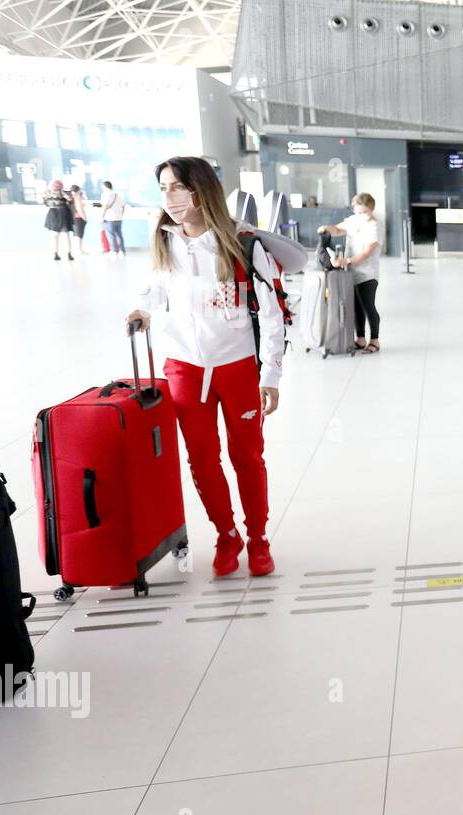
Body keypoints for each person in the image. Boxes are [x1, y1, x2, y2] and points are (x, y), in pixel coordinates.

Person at [127, 156, 285, 578]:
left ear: (201, 189)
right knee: (201, 459)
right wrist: (142, 308)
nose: (170, 197)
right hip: (184, 367)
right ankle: (226, 535)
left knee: (247, 457)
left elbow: (271, 314)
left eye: (177, 187)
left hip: (237, 366)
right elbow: (158, 284)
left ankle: (258, 538)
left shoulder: (243, 244)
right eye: (163, 188)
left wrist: (270, 373)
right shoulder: (166, 239)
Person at [317, 193, 382, 352]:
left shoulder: (374, 226)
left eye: (363, 212)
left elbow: (367, 252)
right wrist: (327, 229)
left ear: (371, 210)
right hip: (351, 272)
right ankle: (360, 338)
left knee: (368, 306)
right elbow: (338, 229)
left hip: (368, 273)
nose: (360, 215)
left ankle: (375, 340)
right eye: (357, 212)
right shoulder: (354, 220)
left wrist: (346, 261)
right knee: (356, 307)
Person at [42, 181, 74, 261]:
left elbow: (44, 203)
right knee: (66, 236)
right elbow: (70, 200)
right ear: (61, 186)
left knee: (55, 236)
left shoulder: (47, 193)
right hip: (63, 213)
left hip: (53, 214)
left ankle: (55, 254)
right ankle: (69, 254)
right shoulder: (63, 193)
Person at [100, 180, 126, 255]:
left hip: (109, 219)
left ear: (105, 187)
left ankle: (114, 250)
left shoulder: (105, 195)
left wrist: (102, 216)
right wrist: (121, 215)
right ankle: (122, 250)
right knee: (119, 235)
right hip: (119, 219)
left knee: (111, 235)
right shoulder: (117, 195)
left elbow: (104, 206)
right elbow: (123, 206)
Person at [69, 185, 88, 256]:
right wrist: (85, 218)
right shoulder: (77, 199)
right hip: (79, 218)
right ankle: (80, 251)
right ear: (78, 191)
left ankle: (79, 250)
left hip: (74, 218)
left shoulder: (72, 198)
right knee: (79, 235)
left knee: (77, 235)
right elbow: (80, 210)